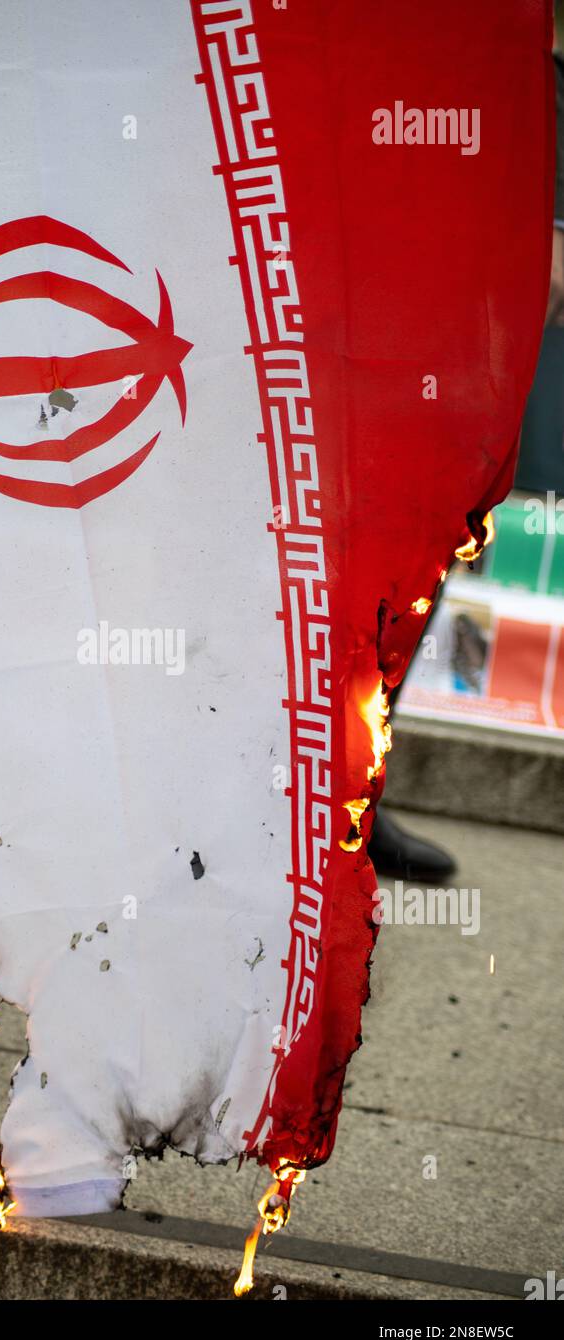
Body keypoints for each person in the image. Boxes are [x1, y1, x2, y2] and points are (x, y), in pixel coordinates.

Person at [369, 45, 564, 884]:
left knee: (408, 576)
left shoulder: (533, 80)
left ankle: (346, 801)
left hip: (438, 374)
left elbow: (547, 278)